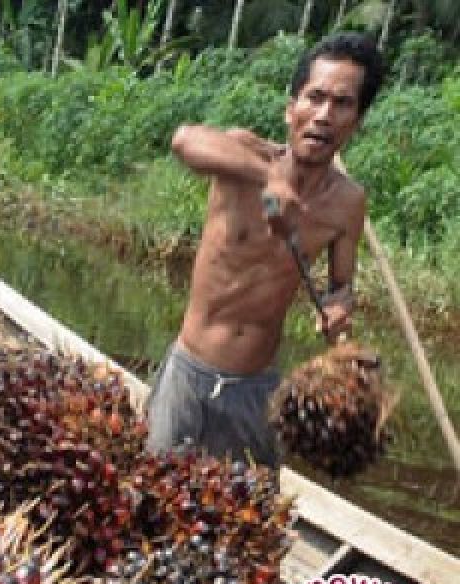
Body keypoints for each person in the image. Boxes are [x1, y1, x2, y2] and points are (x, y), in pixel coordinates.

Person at [146, 33, 385, 470]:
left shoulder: (348, 203)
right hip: (189, 372)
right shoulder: (241, 156)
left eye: (342, 104)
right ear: (291, 108)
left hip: (256, 388)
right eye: (315, 98)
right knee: (152, 500)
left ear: (358, 120)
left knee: (250, 518)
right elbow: (184, 140)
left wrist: (338, 309)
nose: (324, 115)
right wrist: (269, 179)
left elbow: (340, 288)